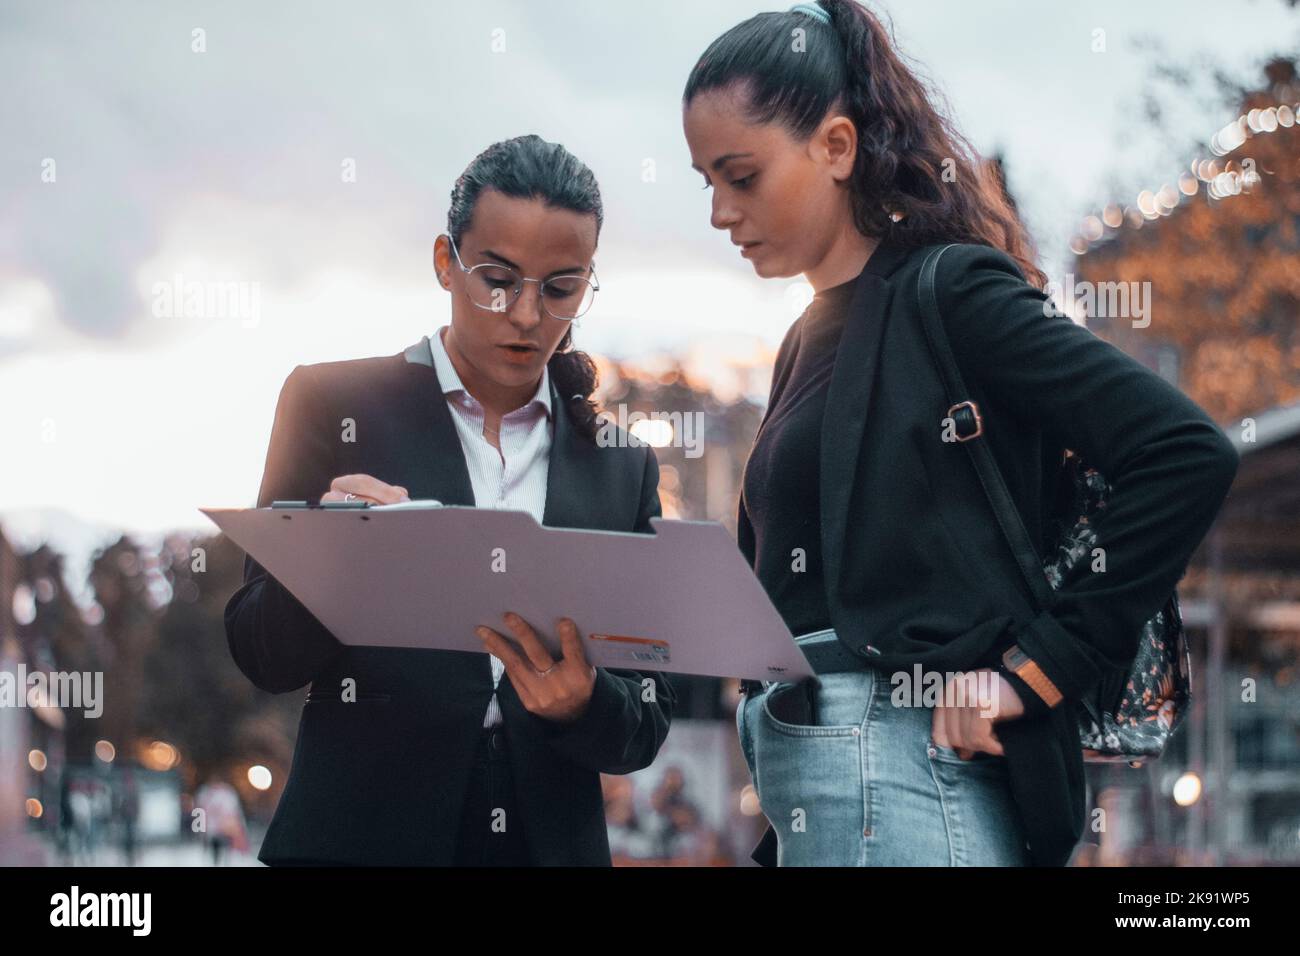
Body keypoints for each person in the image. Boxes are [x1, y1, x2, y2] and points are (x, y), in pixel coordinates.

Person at [681, 0, 1239, 866]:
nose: (719, 211)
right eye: (704, 181)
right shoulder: (808, 337)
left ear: (835, 147)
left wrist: (1039, 669)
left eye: (741, 175)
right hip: (819, 788)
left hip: (910, 784)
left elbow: (1185, 452)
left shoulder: (954, 292)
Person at [224, 134, 674, 866]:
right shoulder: (333, 404)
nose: (526, 314)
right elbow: (258, 651)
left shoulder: (620, 466)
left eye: (561, 287)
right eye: (498, 278)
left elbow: (649, 719)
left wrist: (585, 702)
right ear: (445, 261)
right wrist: (338, 558)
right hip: (357, 843)